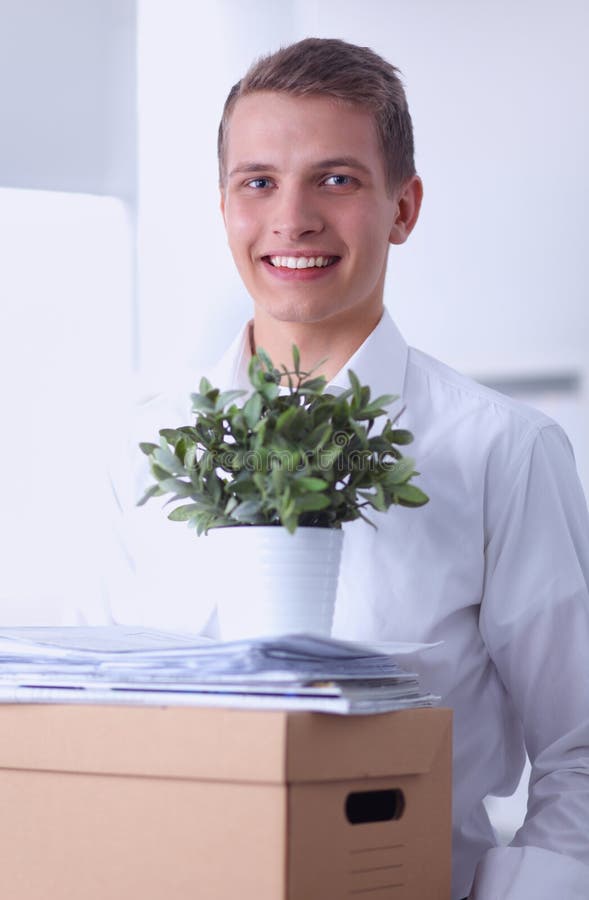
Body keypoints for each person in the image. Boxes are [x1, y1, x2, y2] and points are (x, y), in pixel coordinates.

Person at [112, 38, 589, 899]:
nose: (291, 218)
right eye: (257, 181)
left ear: (403, 209)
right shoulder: (146, 445)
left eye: (335, 179)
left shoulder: (499, 451)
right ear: (223, 205)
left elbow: (579, 747)